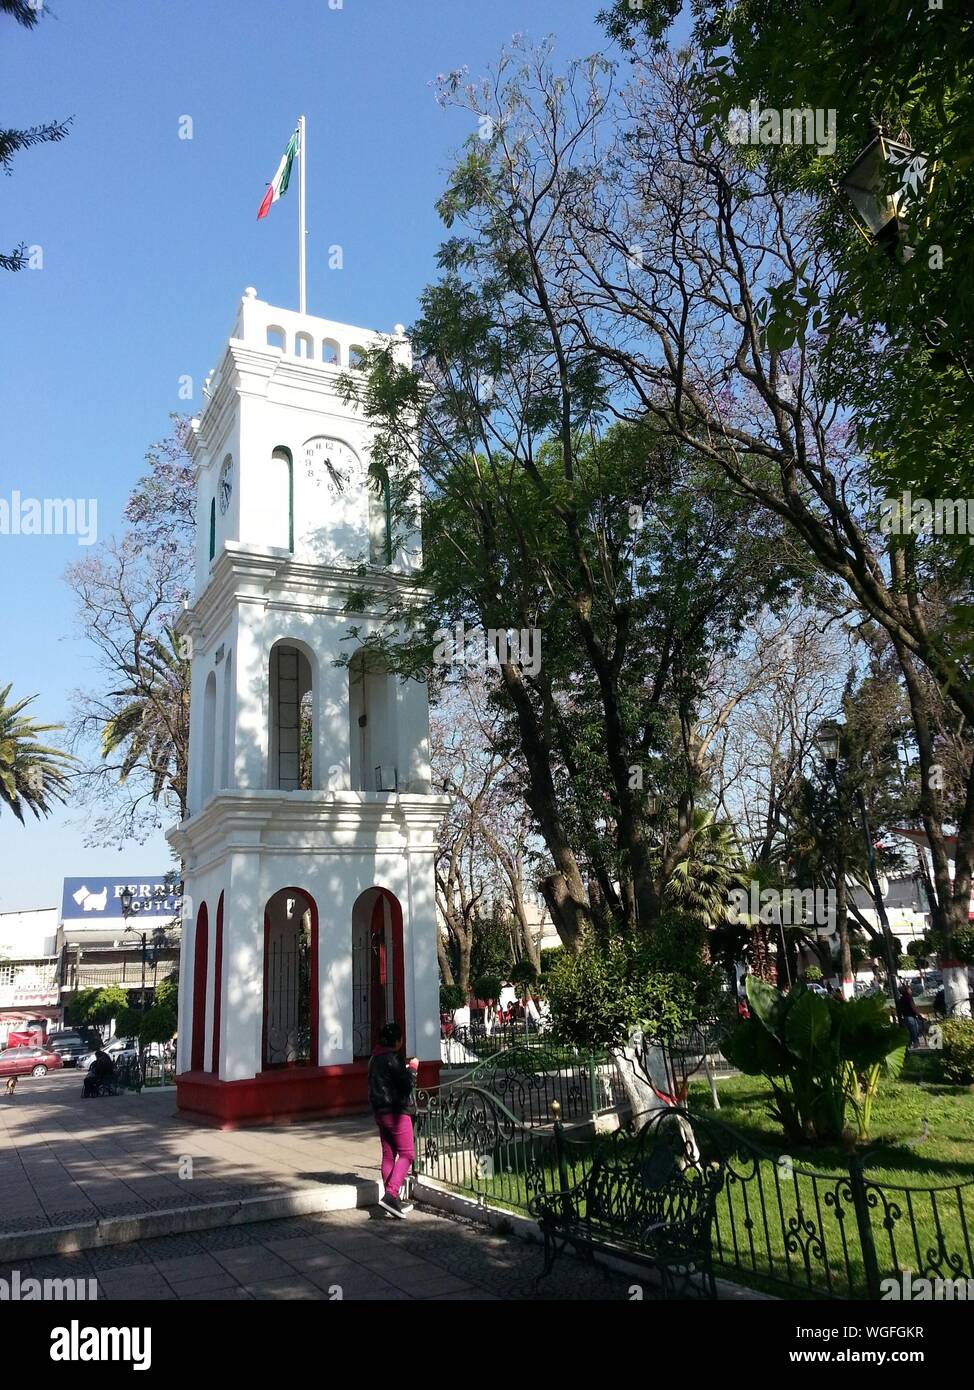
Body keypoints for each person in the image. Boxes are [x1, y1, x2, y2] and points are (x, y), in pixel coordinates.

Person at [368, 1022, 419, 1219]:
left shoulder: (374, 1057)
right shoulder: (393, 1058)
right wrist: (412, 1069)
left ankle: (392, 1201)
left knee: (388, 1155)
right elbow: (406, 1085)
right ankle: (391, 1194)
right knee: (407, 1154)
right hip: (397, 1112)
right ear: (397, 1040)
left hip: (380, 1111)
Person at [896, 983, 921, 1048]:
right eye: (909, 989)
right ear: (906, 991)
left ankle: (909, 1044)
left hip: (906, 1017)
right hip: (911, 1017)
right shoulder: (909, 998)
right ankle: (915, 1043)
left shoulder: (901, 999)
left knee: (909, 1031)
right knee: (914, 1031)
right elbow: (913, 1007)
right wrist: (918, 1014)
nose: (911, 990)